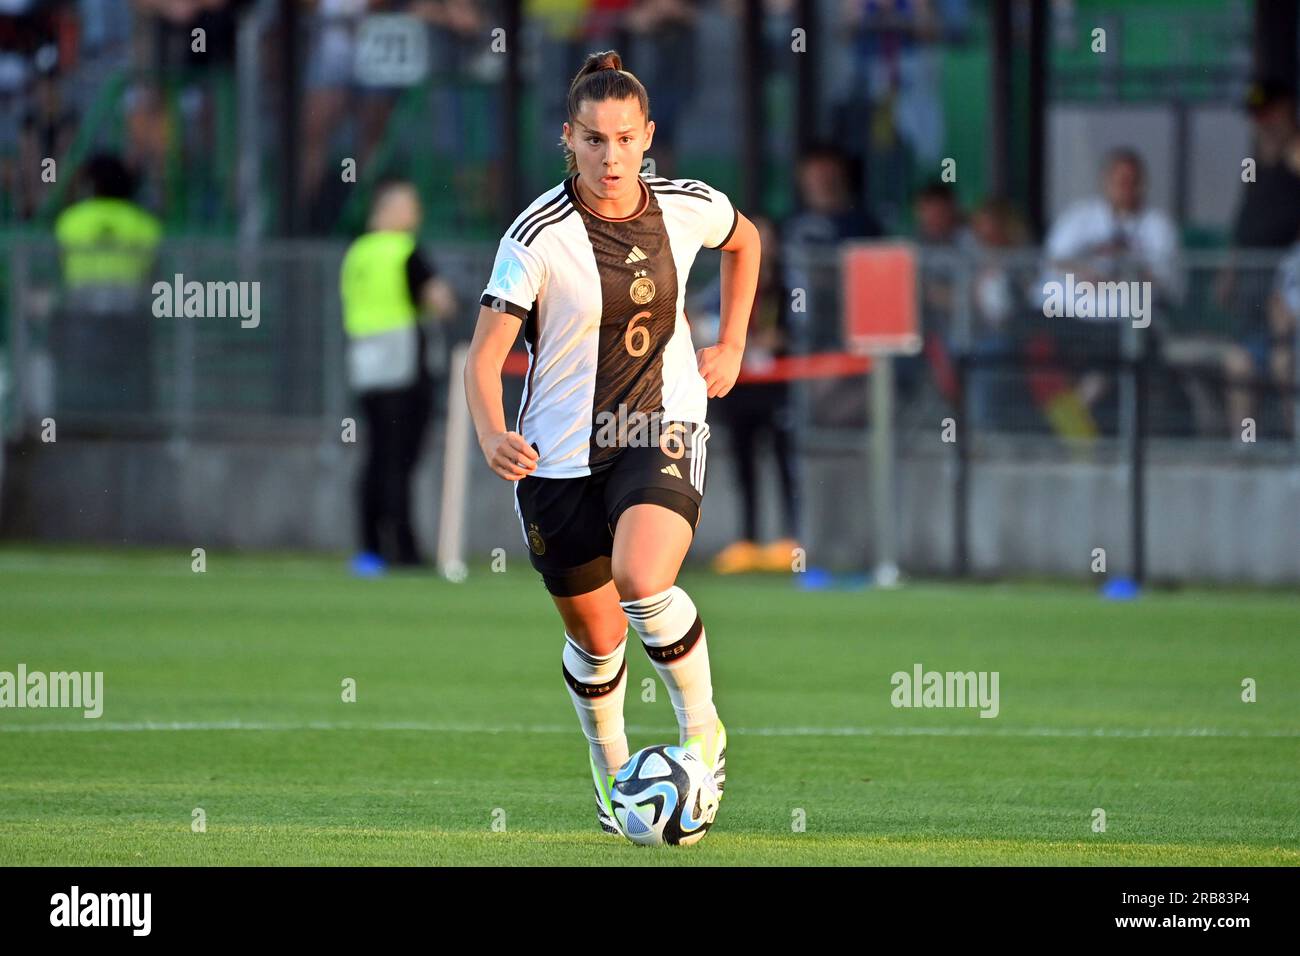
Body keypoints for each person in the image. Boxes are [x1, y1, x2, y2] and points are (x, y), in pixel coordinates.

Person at [464, 50, 761, 835]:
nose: (610, 156)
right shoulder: (536, 235)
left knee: (641, 577)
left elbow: (747, 241)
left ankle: (703, 729)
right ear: (569, 138)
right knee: (596, 643)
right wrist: (494, 433)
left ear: (648, 137)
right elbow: (484, 357)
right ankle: (612, 768)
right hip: (557, 456)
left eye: (625, 139)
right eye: (594, 140)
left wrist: (732, 344)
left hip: (658, 426)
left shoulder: (686, 207)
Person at [341, 179, 456, 574]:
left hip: (366, 368)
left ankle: (370, 548)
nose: (416, 215)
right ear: (388, 209)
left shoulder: (356, 253)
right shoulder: (404, 251)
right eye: (410, 206)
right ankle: (403, 549)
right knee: (401, 462)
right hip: (405, 369)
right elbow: (439, 301)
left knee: (376, 458)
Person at [707, 215, 803, 574]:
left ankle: (791, 539)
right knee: (743, 464)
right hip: (739, 385)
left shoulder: (788, 285)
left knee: (783, 462)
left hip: (776, 387)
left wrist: (771, 340)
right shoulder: (724, 281)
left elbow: (799, 329)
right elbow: (706, 314)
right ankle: (746, 539)